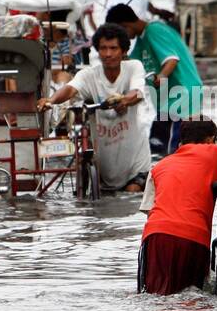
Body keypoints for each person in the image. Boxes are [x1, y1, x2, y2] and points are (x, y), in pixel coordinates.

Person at [137, 118, 217, 295]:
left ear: (181, 142)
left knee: (156, 296)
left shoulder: (159, 167)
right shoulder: (214, 152)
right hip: (191, 236)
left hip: (155, 236)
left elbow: (149, 210)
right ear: (209, 140)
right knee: (191, 300)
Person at [37, 23, 152, 193]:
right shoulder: (89, 75)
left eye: (113, 48)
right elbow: (70, 89)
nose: (108, 54)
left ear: (124, 51)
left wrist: (123, 100)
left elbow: (137, 92)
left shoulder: (134, 67)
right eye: (103, 48)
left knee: (131, 195)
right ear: (97, 50)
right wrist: (51, 100)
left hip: (135, 163)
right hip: (104, 166)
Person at [106, 3, 202, 155]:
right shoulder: (141, 42)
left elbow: (171, 59)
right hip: (166, 102)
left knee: (174, 150)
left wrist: (162, 76)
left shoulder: (155, 30)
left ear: (124, 26)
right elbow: (131, 67)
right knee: (157, 147)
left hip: (182, 95)